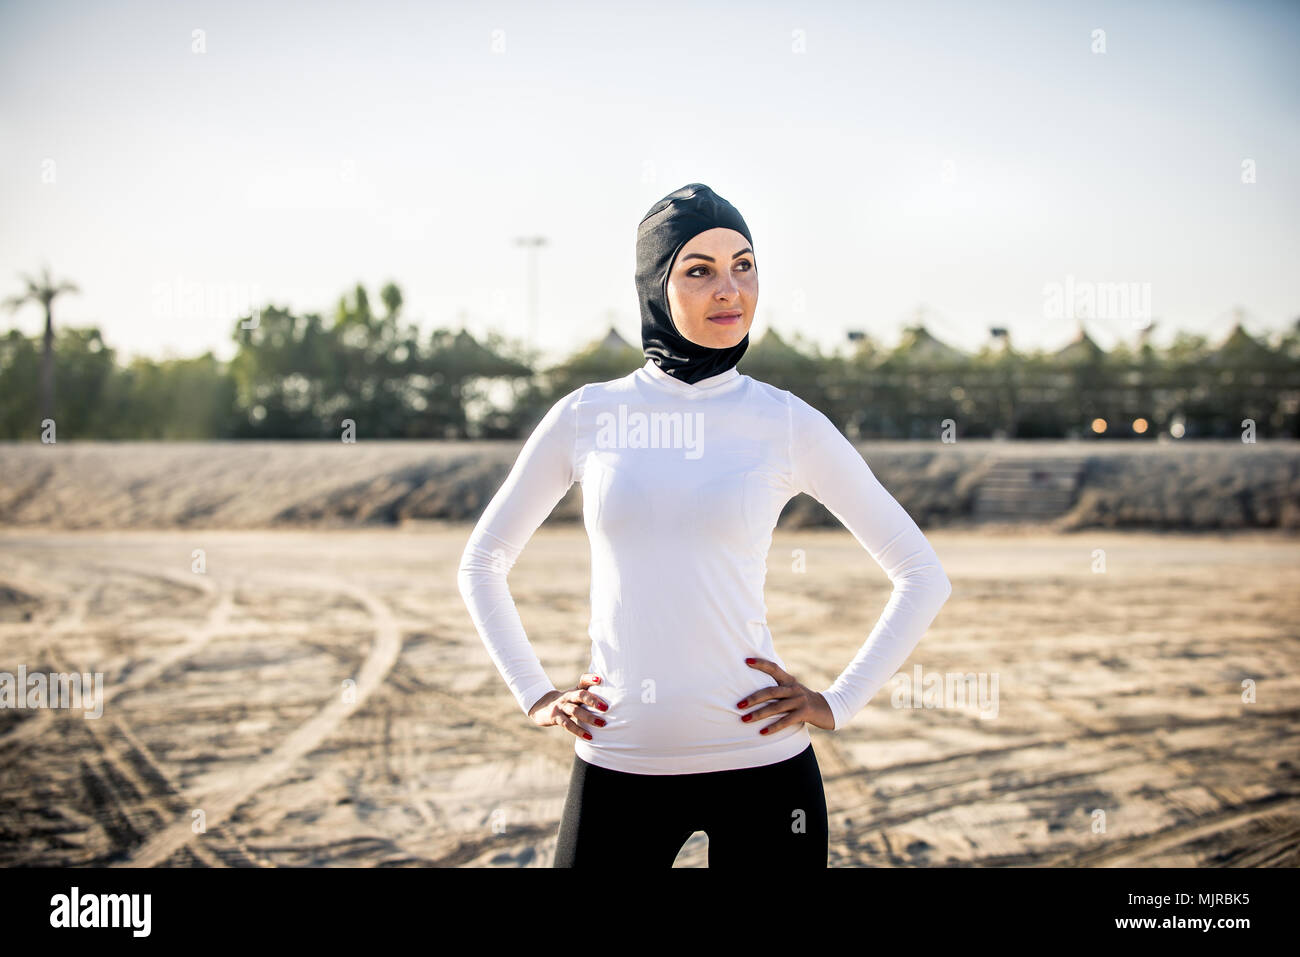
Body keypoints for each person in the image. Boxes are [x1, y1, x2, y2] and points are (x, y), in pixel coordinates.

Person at [457, 183, 953, 868]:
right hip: (618, 764)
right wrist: (534, 692)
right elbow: (481, 562)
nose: (730, 289)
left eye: (744, 265)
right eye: (700, 270)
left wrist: (838, 700)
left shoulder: (784, 420)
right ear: (656, 285)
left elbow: (922, 574)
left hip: (767, 771)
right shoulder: (588, 415)